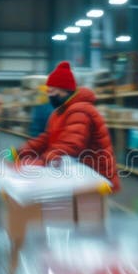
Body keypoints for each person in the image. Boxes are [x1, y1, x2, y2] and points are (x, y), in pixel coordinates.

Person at [19, 61, 120, 191]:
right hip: (79, 174)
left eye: (52, 90)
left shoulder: (81, 110)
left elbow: (71, 145)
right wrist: (22, 152)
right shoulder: (59, 112)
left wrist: (40, 162)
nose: (49, 94)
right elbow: (47, 137)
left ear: (64, 89)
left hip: (97, 178)